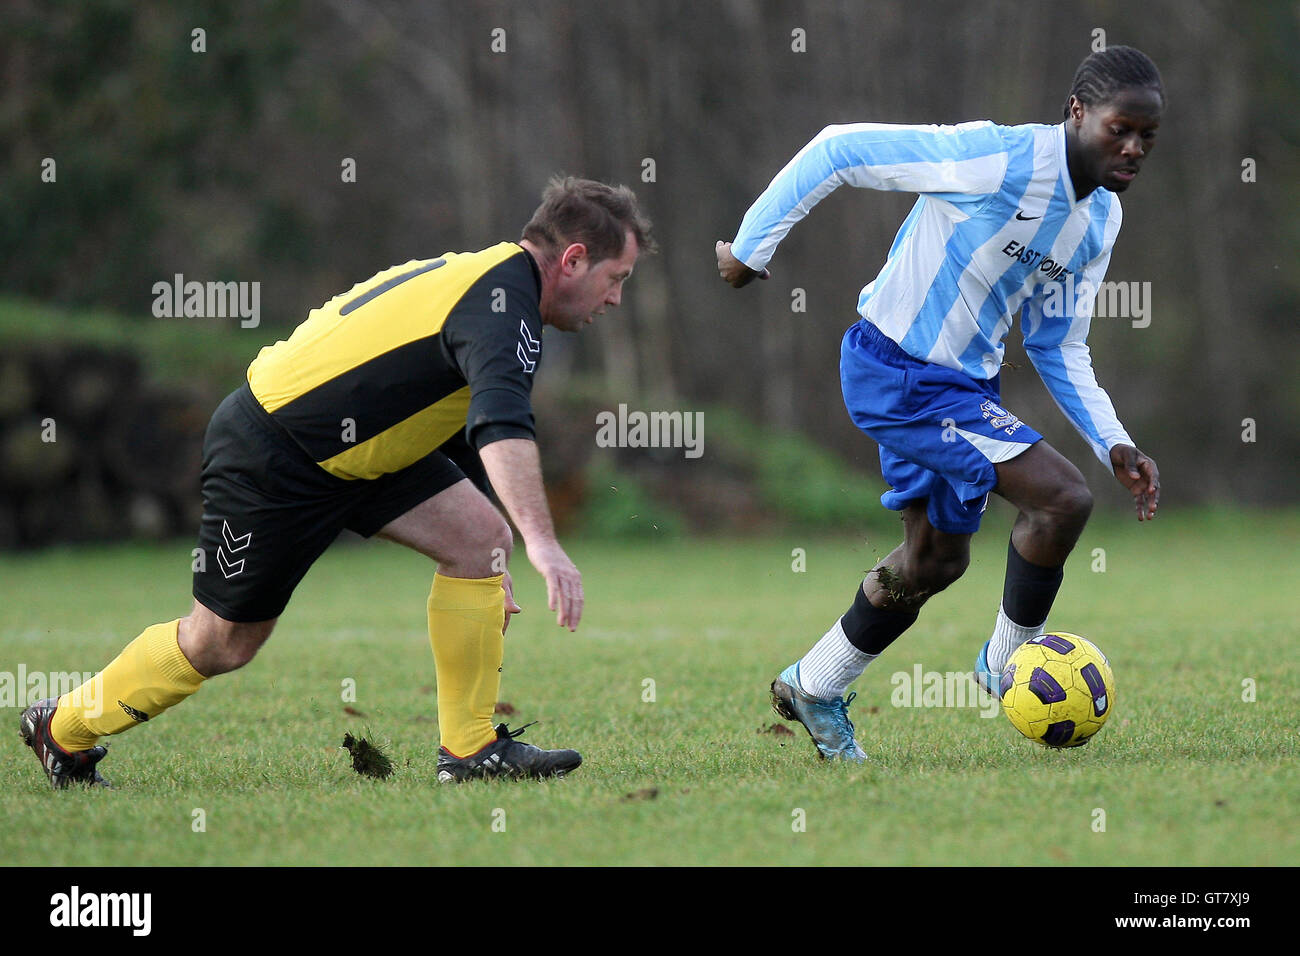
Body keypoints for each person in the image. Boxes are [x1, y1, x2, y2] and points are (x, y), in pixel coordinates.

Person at [21, 176, 653, 786]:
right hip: (274, 451)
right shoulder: (499, 301)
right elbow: (500, 424)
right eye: (615, 278)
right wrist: (542, 544)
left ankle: (471, 751)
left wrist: (501, 545)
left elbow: (451, 412)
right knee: (221, 643)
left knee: (477, 539)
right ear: (573, 259)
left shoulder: (498, 283)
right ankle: (64, 726)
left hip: (362, 446)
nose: (616, 298)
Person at [716, 46, 1162, 761]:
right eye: (1121, 129)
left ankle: (814, 685)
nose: (1135, 148)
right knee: (1062, 500)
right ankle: (1008, 666)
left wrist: (1114, 440)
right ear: (1077, 113)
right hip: (895, 370)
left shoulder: (1100, 222)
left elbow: (1056, 343)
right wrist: (750, 248)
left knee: (933, 561)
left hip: (963, 389)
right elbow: (840, 149)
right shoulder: (998, 158)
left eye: (1148, 136)